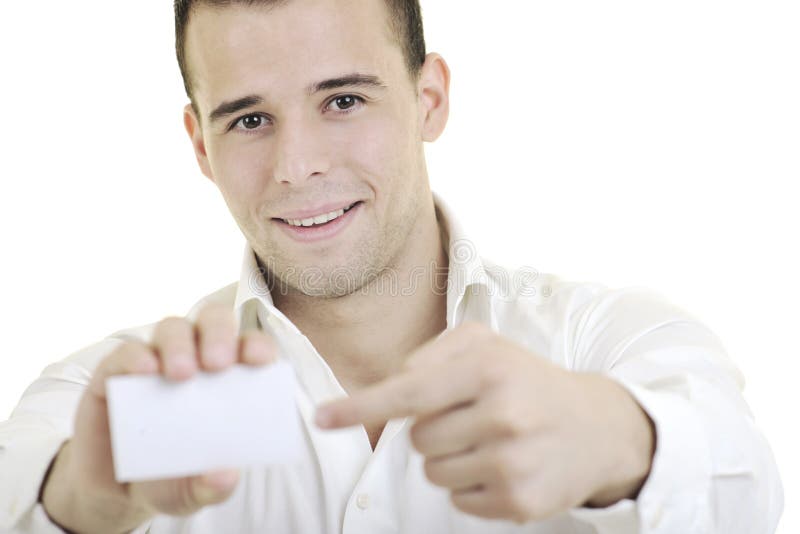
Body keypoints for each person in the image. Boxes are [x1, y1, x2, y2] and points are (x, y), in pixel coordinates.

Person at [0, 0, 784, 532]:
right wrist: (87, 499)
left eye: (343, 100)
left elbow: (749, 485)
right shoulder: (117, 397)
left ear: (430, 99)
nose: (296, 166)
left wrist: (617, 440)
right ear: (200, 145)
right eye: (249, 119)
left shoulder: (599, 341)